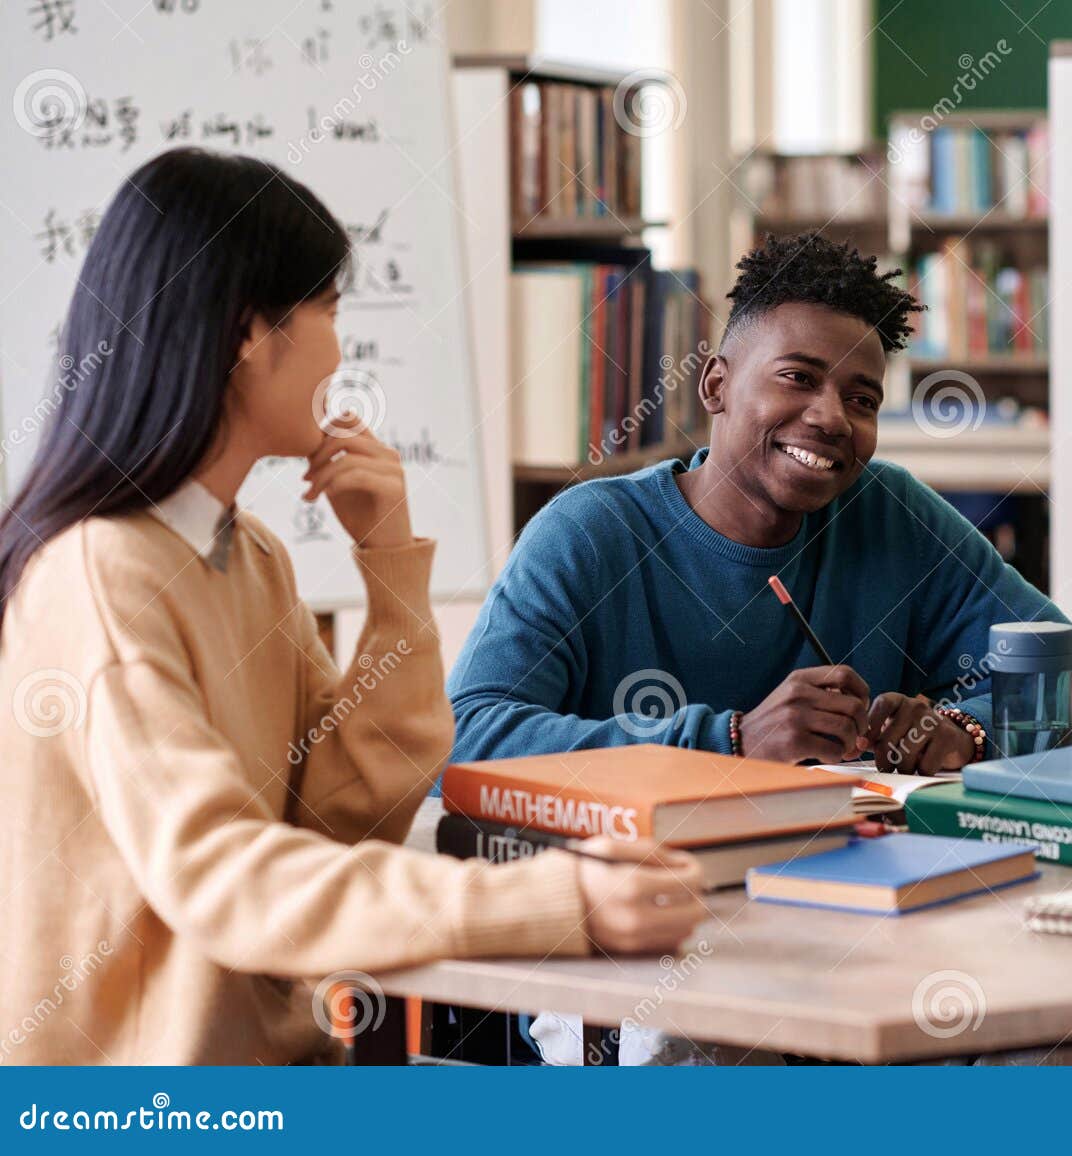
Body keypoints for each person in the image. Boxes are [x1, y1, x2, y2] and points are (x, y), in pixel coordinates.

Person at [0, 149, 703, 1066]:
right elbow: (221, 877)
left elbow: (339, 812)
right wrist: (551, 901)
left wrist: (390, 563)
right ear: (250, 331)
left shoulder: (242, 552)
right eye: (329, 311)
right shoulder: (104, 573)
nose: (342, 350)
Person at [449, 232, 1072, 775]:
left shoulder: (890, 511)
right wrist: (732, 741)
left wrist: (963, 730)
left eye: (862, 399)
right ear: (716, 384)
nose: (831, 417)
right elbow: (466, 740)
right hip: (640, 893)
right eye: (798, 378)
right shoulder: (589, 533)